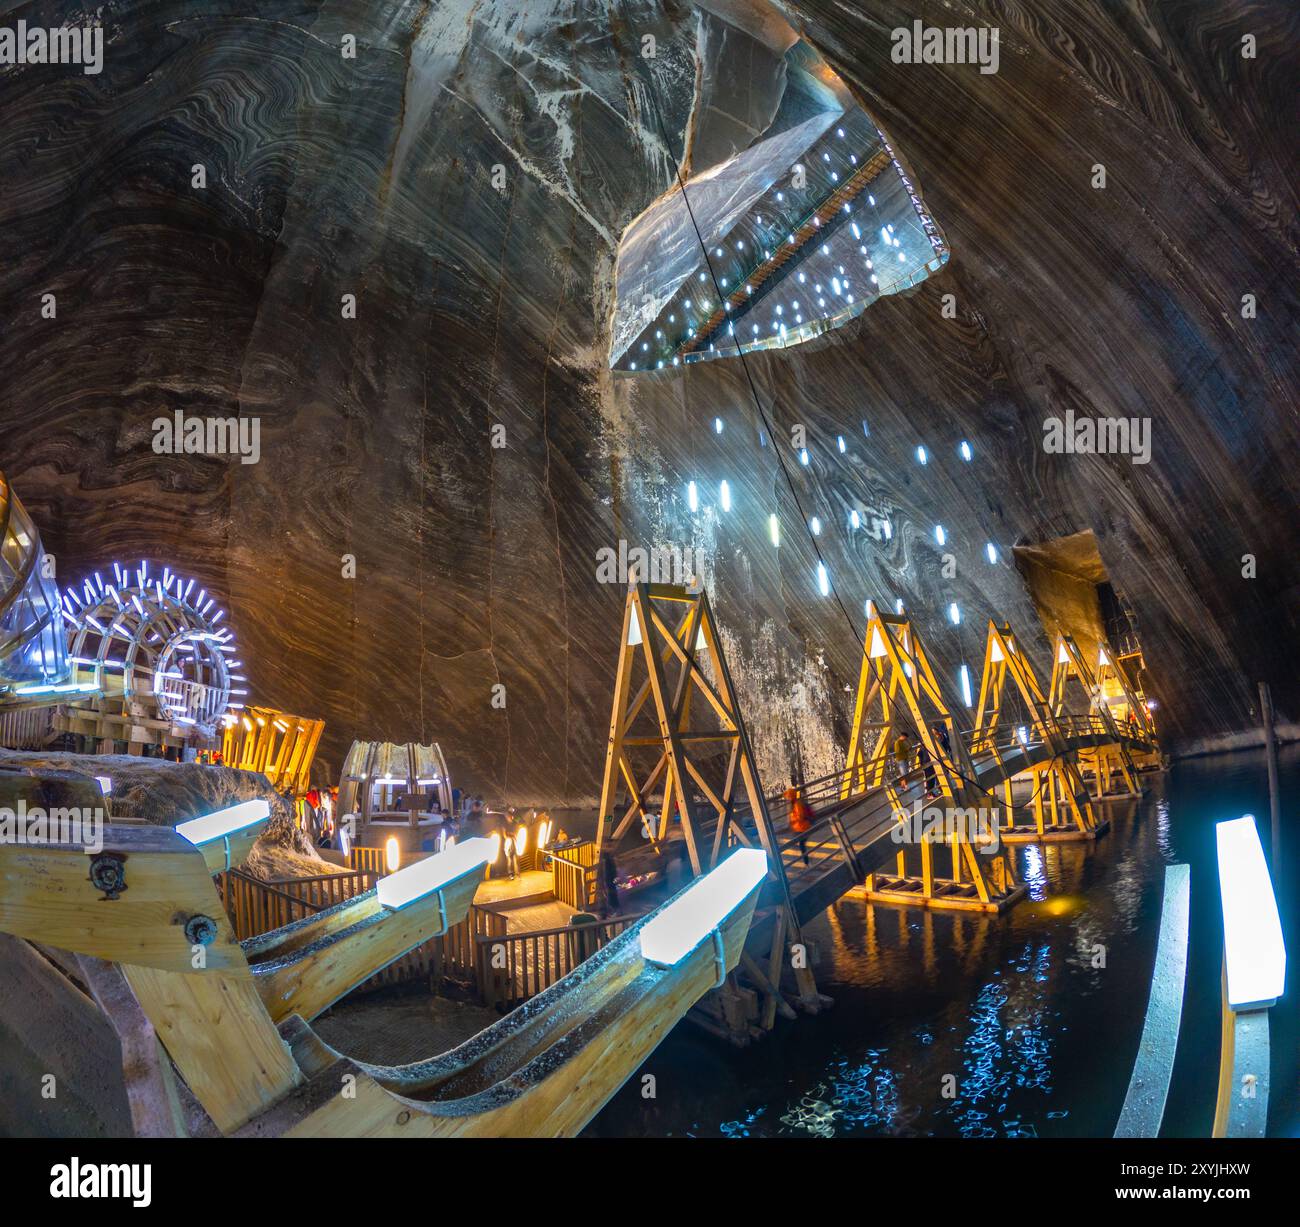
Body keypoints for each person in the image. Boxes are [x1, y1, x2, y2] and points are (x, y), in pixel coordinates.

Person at [784, 777, 813, 866]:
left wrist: (792, 820)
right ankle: (806, 862)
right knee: (801, 845)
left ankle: (807, 862)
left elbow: (800, 816)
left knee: (801, 845)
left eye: (788, 797)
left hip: (802, 828)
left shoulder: (797, 805)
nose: (787, 799)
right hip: (799, 828)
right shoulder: (794, 804)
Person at [598, 852, 621, 917]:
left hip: (608, 880)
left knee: (610, 895)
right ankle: (615, 910)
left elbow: (607, 873)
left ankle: (614, 911)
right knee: (612, 895)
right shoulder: (610, 862)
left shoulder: (606, 863)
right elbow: (613, 871)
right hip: (610, 880)